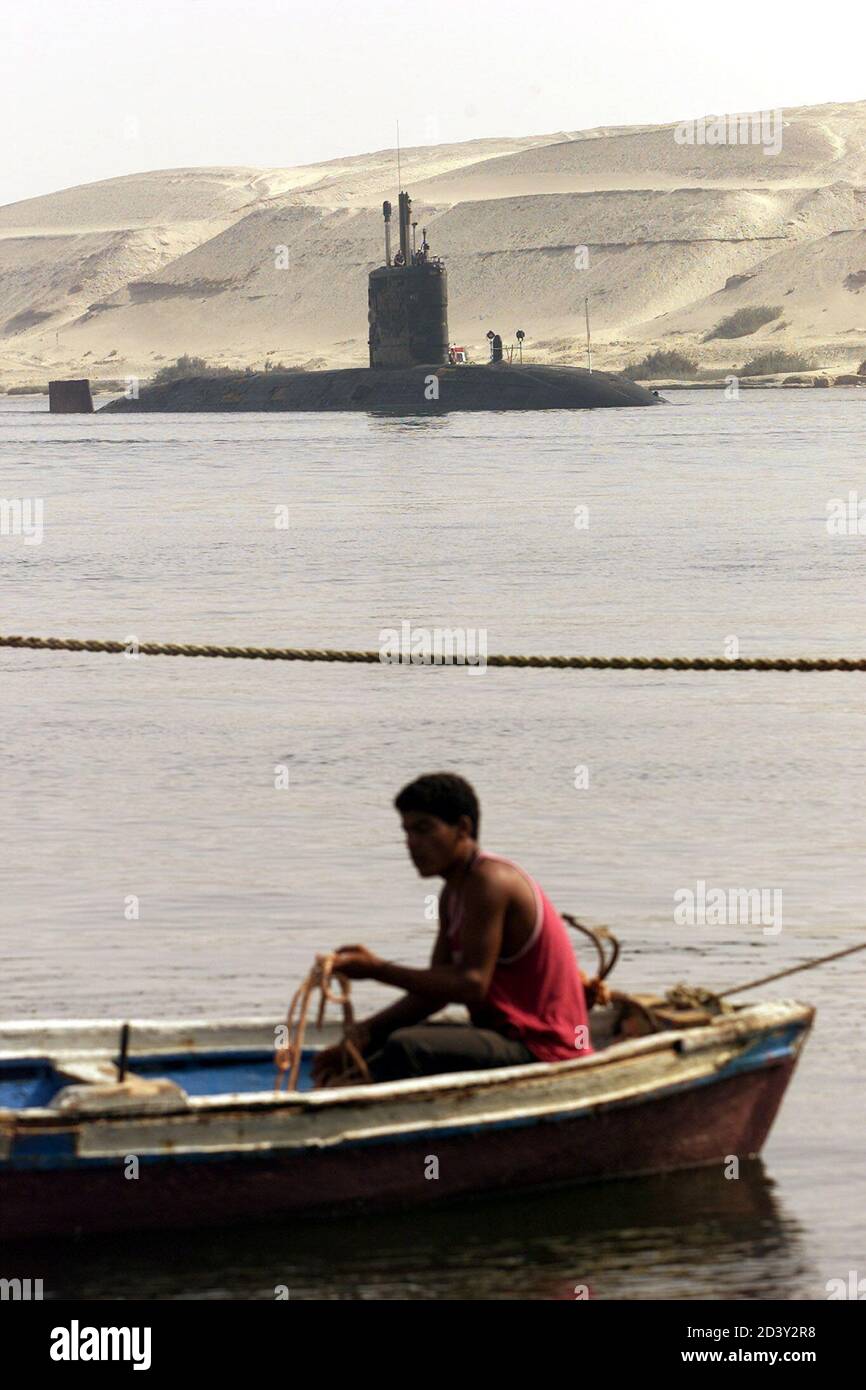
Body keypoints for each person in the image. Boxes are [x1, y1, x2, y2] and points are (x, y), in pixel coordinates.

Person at [311, 772, 593, 1086]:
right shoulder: (454, 891)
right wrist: (362, 1034)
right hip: (504, 1035)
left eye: (424, 829)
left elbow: (470, 985)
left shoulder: (489, 882)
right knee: (378, 1043)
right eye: (407, 831)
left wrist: (377, 969)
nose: (412, 844)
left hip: (543, 1048)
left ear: (463, 829)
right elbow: (433, 994)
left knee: (407, 1048)